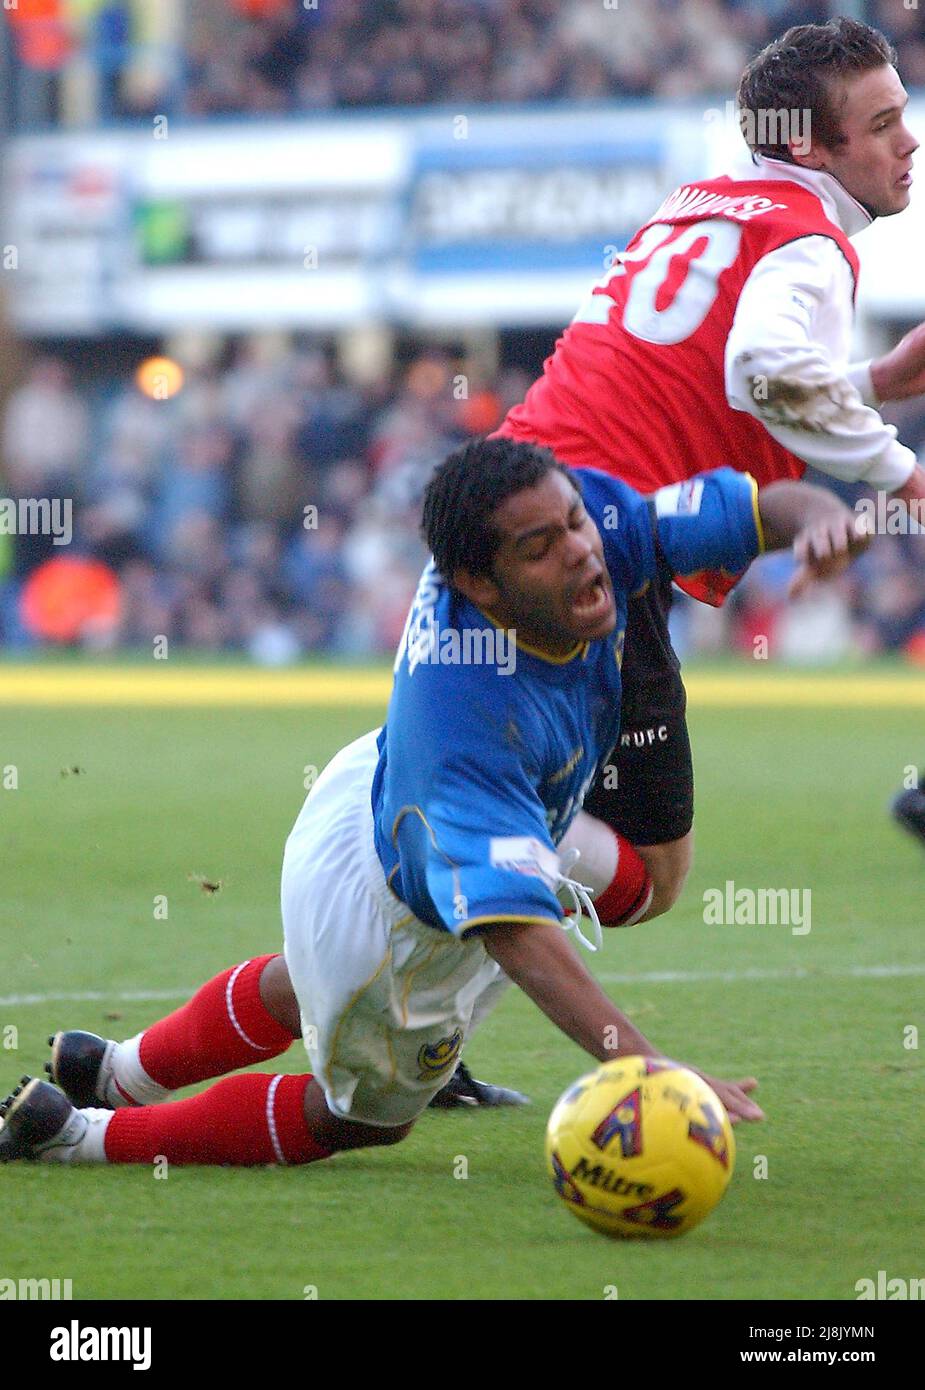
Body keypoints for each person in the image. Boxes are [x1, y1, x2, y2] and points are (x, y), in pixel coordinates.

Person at [1, 438, 869, 1167]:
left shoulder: (580, 526)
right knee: (367, 1117)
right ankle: (79, 1136)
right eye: (540, 547)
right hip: (400, 917)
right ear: (479, 585)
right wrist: (645, 1068)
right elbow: (516, 937)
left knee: (320, 976)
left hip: (370, 790)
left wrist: (817, 520)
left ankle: (116, 1066)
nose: (579, 548)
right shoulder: (472, 726)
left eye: (572, 521)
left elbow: (755, 508)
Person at [495, 15, 925, 929]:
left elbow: (705, 381)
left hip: (518, 500)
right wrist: (899, 476)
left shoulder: (702, 203)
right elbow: (762, 374)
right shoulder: (809, 244)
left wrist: (873, 384)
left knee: (550, 811)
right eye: (883, 121)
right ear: (808, 144)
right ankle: (431, 826)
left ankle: (438, 833)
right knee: (642, 874)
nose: (909, 138)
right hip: (589, 536)